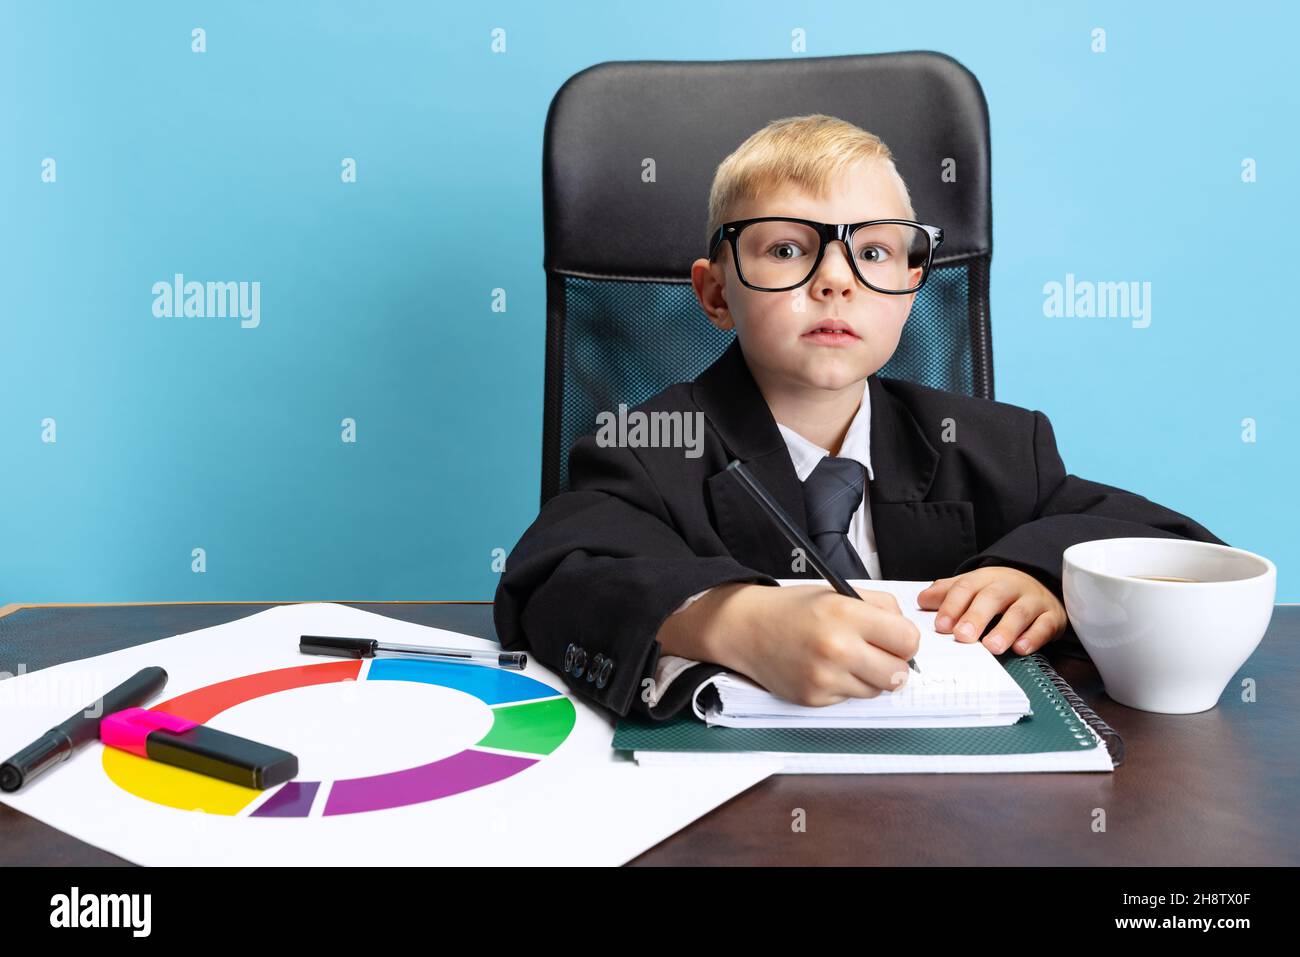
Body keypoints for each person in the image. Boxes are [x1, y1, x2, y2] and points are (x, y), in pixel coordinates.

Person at [494, 114, 1225, 722]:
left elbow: (1174, 542)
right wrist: (731, 619)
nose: (836, 279)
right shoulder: (647, 446)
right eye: (787, 248)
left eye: (872, 250)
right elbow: (550, 579)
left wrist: (1042, 573)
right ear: (716, 294)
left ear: (911, 287)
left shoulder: (999, 445)